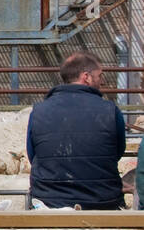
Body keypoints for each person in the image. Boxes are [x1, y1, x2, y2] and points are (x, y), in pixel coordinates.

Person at [27, 52, 126, 210]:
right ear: (86, 77)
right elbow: (118, 152)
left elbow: (33, 155)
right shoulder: (110, 111)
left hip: (49, 203)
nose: (103, 81)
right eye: (100, 76)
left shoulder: (38, 112)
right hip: (103, 202)